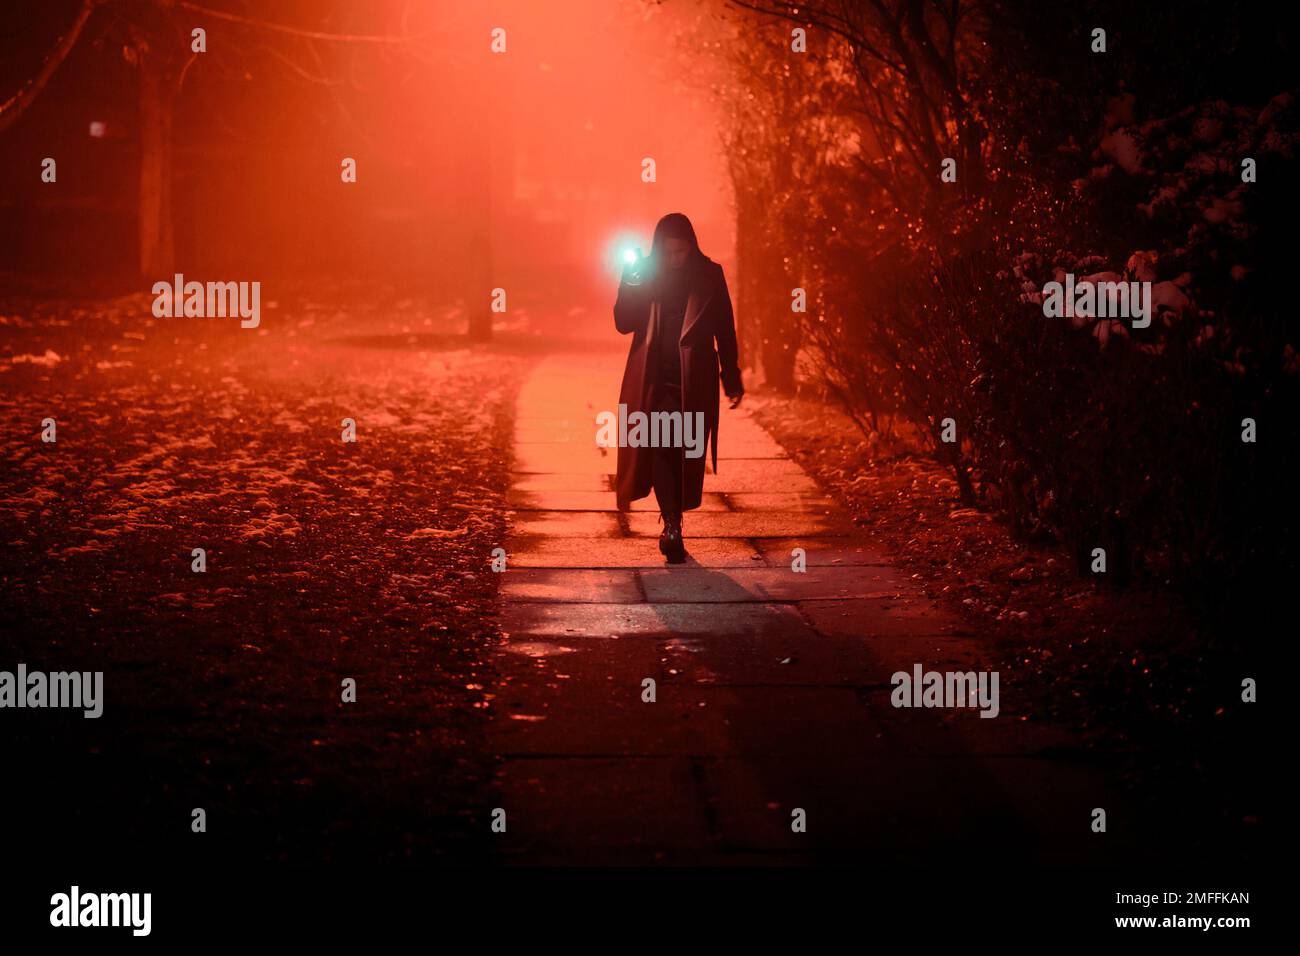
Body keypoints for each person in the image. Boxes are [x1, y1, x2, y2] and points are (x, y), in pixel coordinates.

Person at [613, 212, 744, 563]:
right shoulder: (646, 273)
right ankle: (672, 524)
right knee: (656, 442)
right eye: (669, 252)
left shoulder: (709, 275)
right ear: (660, 249)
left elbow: (725, 330)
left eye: (681, 252)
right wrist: (633, 280)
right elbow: (623, 322)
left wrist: (731, 378)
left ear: (690, 248)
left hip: (692, 378)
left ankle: (673, 521)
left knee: (677, 448)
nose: (674, 259)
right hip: (651, 376)